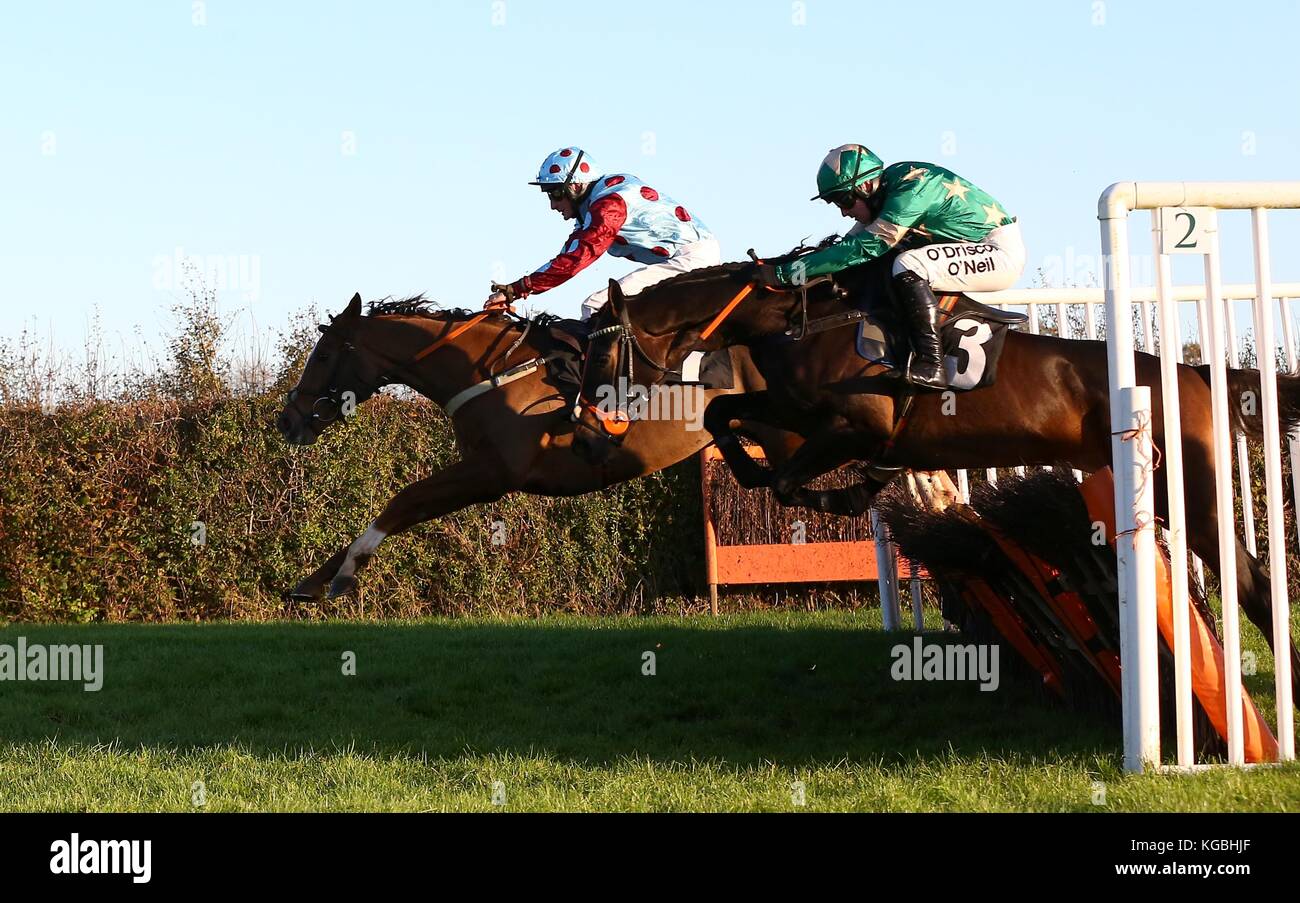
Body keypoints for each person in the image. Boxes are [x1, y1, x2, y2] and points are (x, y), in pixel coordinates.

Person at [762, 144, 1025, 389]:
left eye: (843, 200)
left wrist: (786, 273)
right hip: (975, 247)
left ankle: (932, 365)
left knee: (907, 263)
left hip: (999, 253)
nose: (843, 212)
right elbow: (846, 248)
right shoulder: (890, 186)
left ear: (865, 185)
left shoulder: (909, 193)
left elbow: (865, 247)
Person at [486, 147, 719, 321]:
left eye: (555, 194)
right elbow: (567, 256)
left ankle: (608, 384)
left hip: (691, 261)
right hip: (688, 257)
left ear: (576, 186)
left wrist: (518, 289)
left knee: (596, 306)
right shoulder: (595, 203)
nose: (553, 205)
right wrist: (514, 291)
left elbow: (578, 258)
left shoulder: (608, 206)